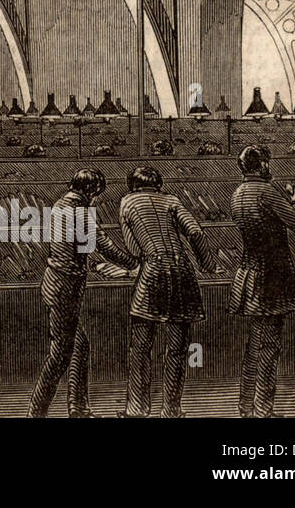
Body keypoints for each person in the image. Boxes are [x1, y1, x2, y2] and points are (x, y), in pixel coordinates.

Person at [28, 168, 137, 418]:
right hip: (66, 286)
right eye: (96, 194)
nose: (96, 199)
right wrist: (134, 264)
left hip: (54, 280)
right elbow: (104, 245)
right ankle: (36, 413)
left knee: (79, 345)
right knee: (60, 354)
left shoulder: (59, 205)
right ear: (90, 190)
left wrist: (92, 264)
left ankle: (78, 409)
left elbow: (73, 245)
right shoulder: (80, 211)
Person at [117, 165, 212, 418]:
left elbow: (135, 251)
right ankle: (172, 410)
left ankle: (136, 409)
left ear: (133, 185)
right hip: (182, 270)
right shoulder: (171, 201)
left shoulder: (127, 203)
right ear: (158, 184)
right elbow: (195, 232)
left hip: (153, 271)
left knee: (140, 346)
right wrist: (207, 264)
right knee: (179, 348)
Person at [228, 144, 295, 418]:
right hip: (272, 276)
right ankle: (262, 411)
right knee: (269, 345)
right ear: (262, 165)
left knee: (254, 344)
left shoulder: (238, 194)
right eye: (267, 162)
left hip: (249, 273)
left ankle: (246, 407)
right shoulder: (268, 191)